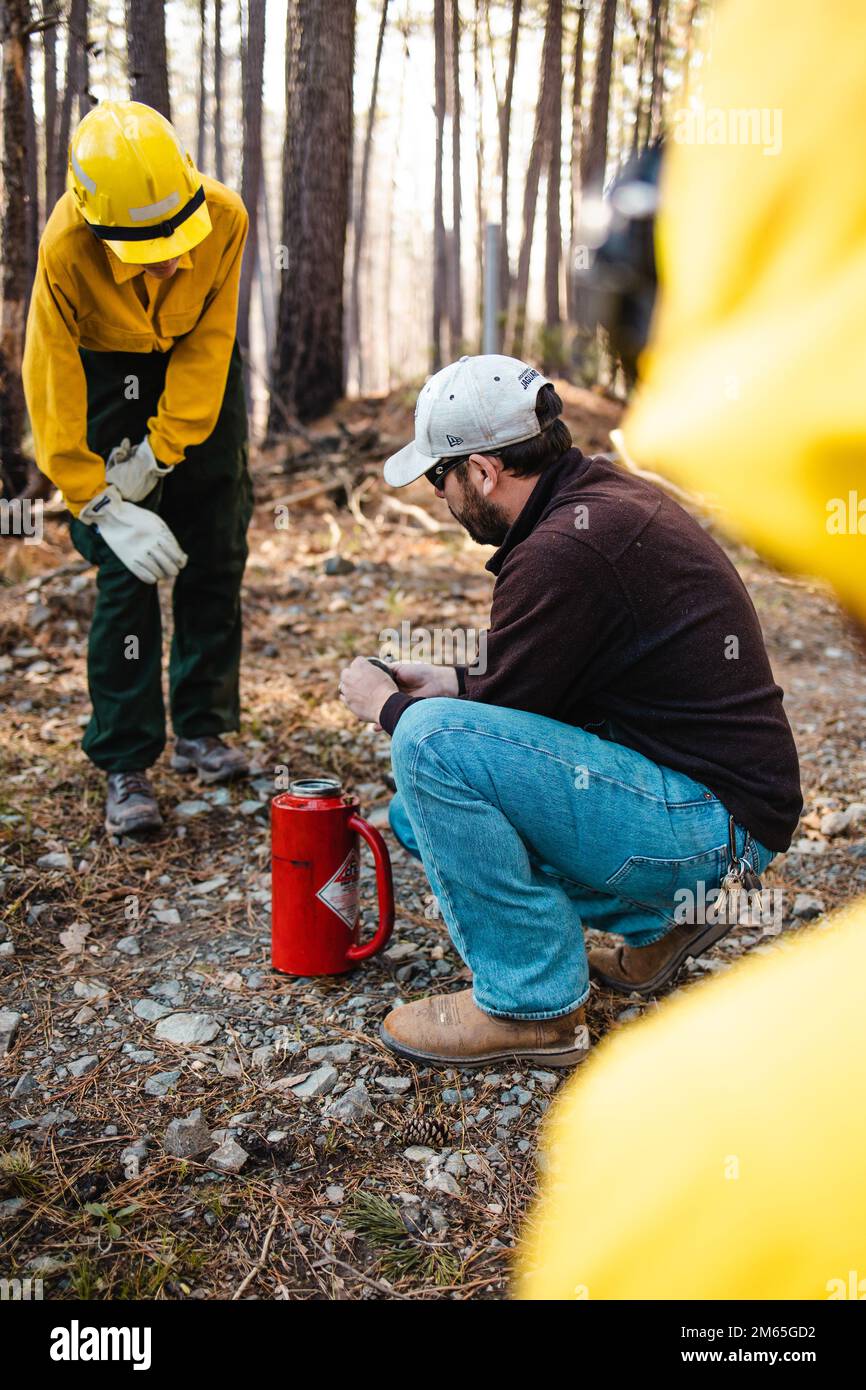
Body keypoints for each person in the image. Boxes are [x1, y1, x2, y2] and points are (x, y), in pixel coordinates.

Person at [516, 0, 866, 1300]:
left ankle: (530, 990)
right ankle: (659, 922)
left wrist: (408, 698)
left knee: (450, 743)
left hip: (728, 828)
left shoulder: (724, 1167)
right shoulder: (608, 513)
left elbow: (513, 707)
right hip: (748, 814)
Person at [338, 352, 801, 1068]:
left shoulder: (564, 549)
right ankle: (664, 923)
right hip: (715, 808)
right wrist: (456, 681)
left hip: (710, 825)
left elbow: (484, 726)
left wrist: (389, 706)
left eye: (440, 476)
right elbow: (538, 684)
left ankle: (531, 1008)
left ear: (484, 471)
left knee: (427, 747)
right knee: (414, 814)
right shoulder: (598, 505)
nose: (439, 495)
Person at [23, 100, 252, 839]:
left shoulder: (224, 218)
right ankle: (126, 758)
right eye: (144, 242)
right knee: (126, 572)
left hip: (195, 369)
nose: (166, 254)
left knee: (215, 548)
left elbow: (210, 339)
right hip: (103, 372)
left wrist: (162, 449)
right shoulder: (65, 248)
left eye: (173, 235)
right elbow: (51, 375)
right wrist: (97, 498)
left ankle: (203, 727)